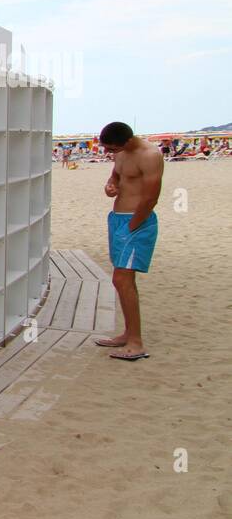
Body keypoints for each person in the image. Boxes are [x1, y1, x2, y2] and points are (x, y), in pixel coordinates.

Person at [94, 121, 163, 361]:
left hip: (137, 224)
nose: (109, 153)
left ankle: (136, 342)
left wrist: (133, 225)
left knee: (122, 279)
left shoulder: (150, 155)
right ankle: (128, 334)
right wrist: (110, 186)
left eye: (111, 149)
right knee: (122, 281)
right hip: (117, 220)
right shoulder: (120, 154)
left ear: (127, 141)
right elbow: (114, 177)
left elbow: (151, 197)